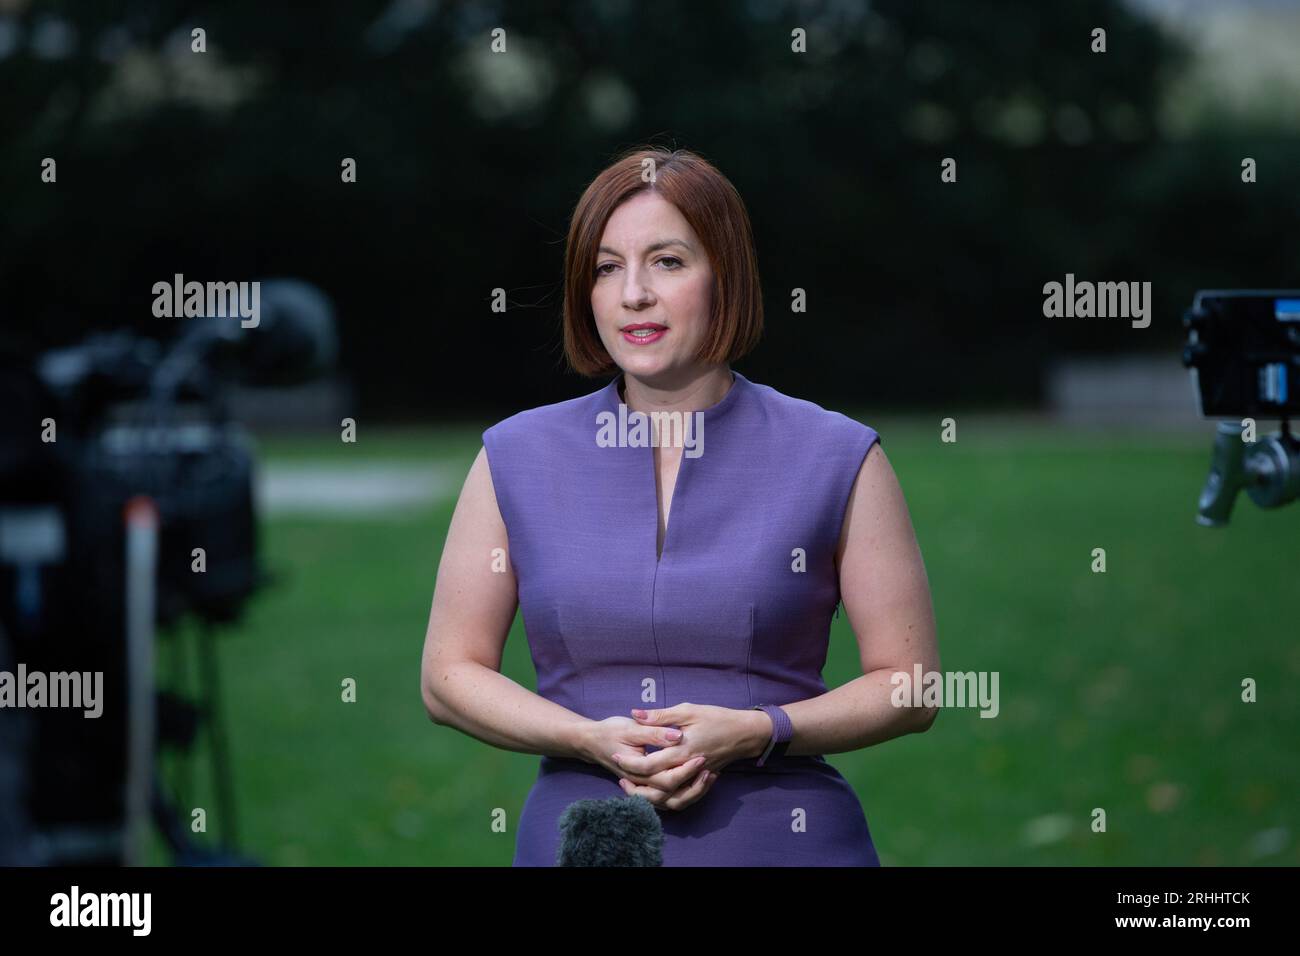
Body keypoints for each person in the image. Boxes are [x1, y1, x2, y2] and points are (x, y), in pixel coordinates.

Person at [420, 145, 940, 866]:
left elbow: (911, 686)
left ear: (725, 275)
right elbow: (449, 676)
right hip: (587, 843)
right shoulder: (515, 454)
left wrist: (762, 728)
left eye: (667, 261)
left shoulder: (838, 454)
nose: (634, 293)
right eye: (607, 268)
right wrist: (586, 736)